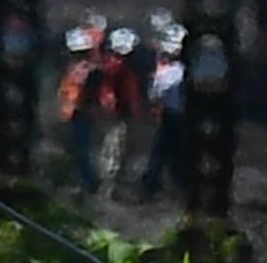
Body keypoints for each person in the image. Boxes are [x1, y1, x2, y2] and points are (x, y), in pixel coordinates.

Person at [141, 25, 188, 200]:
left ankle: (153, 185)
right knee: (172, 151)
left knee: (162, 152)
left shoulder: (166, 71)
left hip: (173, 114)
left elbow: (154, 94)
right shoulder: (178, 70)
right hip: (179, 115)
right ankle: (176, 185)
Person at [57, 27, 104, 195]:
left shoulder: (91, 71)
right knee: (75, 149)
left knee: (81, 151)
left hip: (82, 113)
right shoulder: (75, 68)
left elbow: (88, 95)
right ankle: (83, 181)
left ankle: (89, 183)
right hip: (73, 112)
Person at [98, 28, 145, 185]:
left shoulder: (106, 65)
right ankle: (109, 179)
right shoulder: (121, 69)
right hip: (117, 113)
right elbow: (129, 94)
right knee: (115, 144)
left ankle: (109, 176)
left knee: (112, 144)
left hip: (110, 112)